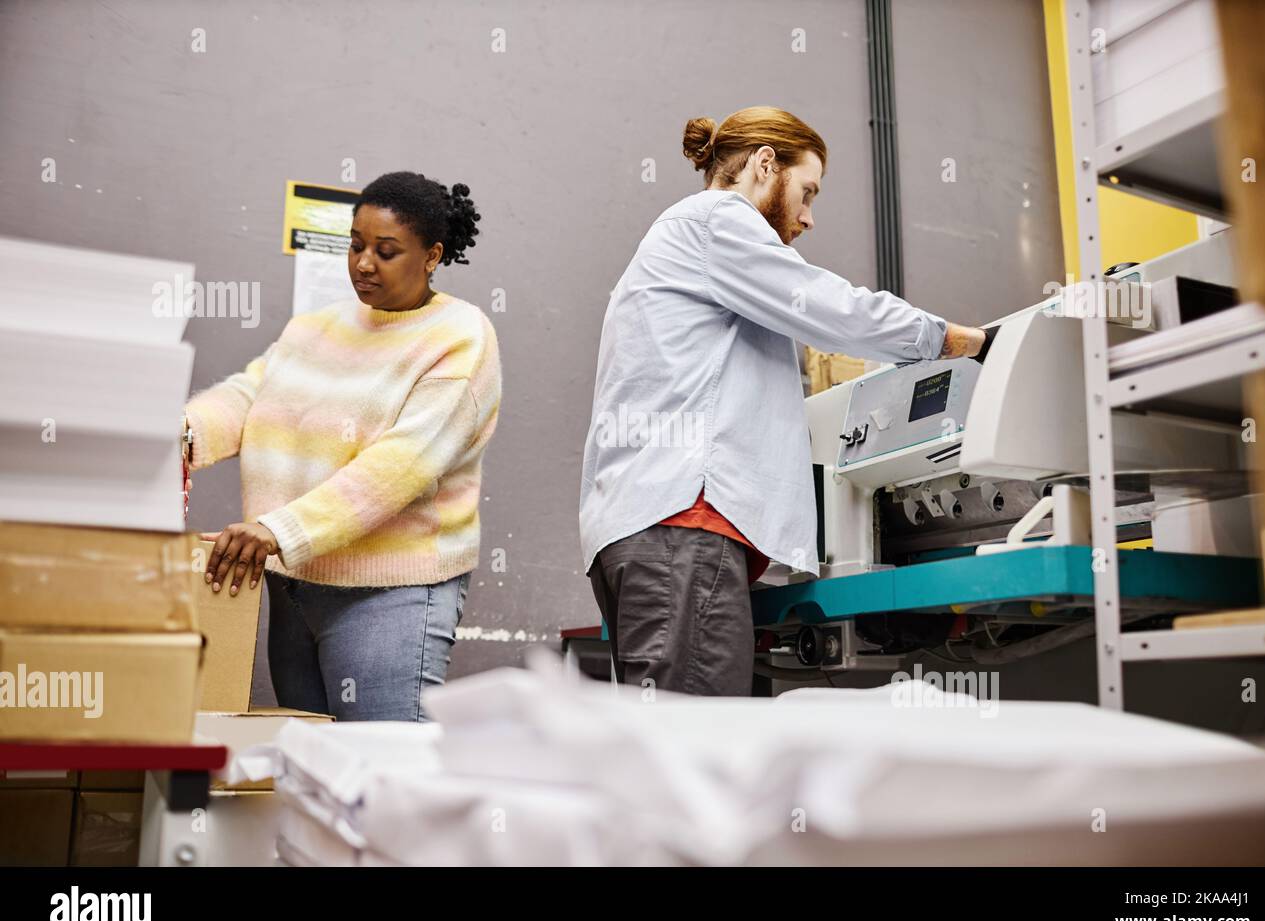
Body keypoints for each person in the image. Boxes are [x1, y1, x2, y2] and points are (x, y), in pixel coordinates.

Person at [579, 106, 996, 697]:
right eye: (807, 191)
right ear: (764, 164)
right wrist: (961, 341)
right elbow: (827, 305)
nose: (808, 216)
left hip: (648, 533)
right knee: (698, 753)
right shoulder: (718, 220)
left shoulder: (681, 243)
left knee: (668, 747)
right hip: (682, 531)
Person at [185, 171, 501, 720]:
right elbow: (250, 396)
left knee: (381, 772)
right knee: (314, 774)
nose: (363, 264)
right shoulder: (316, 327)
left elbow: (400, 466)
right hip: (293, 586)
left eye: (386, 251)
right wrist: (180, 434)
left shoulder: (459, 337)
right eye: (355, 245)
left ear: (432, 255)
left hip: (388, 596)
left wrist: (277, 530)